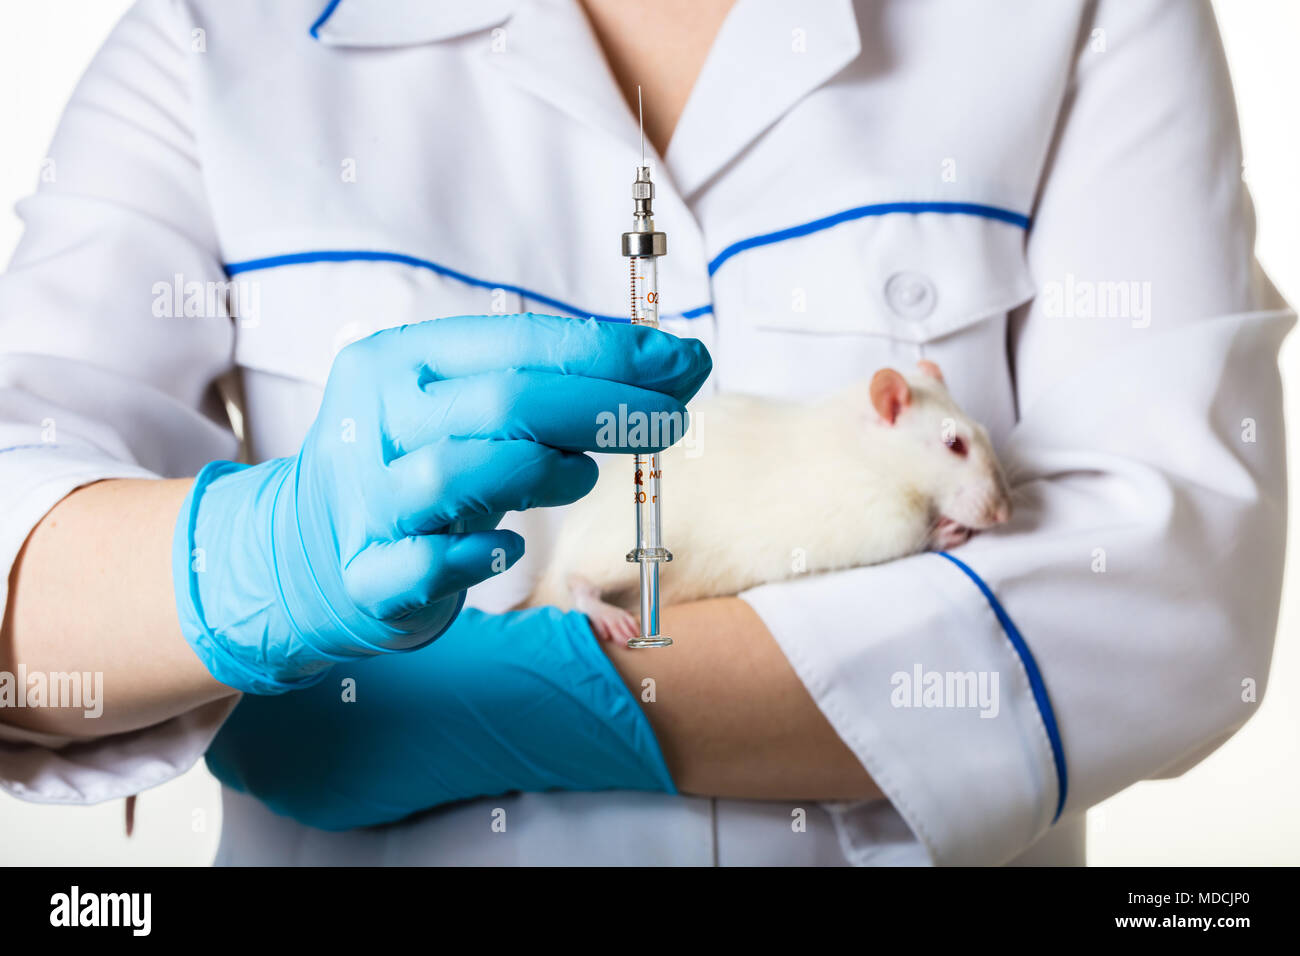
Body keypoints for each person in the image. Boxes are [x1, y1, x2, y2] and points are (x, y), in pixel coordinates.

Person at [0, 0, 1291, 866]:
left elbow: (1173, 581)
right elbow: (20, 543)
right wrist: (255, 564)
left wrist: (547, 700)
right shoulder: (216, 34)